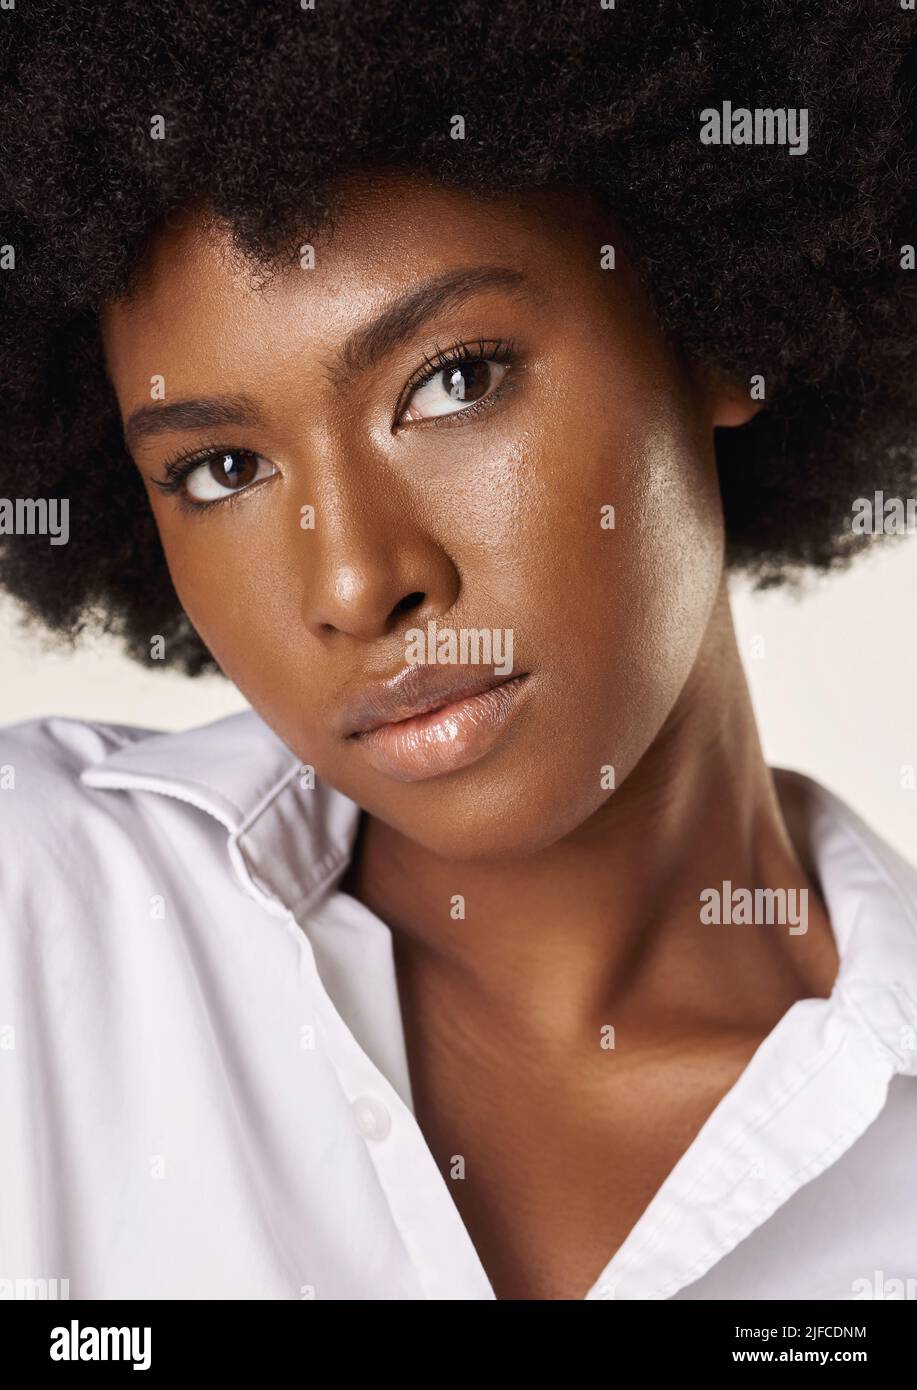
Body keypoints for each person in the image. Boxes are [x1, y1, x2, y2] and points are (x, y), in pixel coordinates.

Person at [1, 0, 915, 1301]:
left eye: (454, 380)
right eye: (220, 467)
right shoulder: (37, 923)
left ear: (713, 324)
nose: (358, 579)